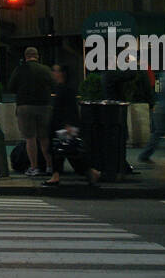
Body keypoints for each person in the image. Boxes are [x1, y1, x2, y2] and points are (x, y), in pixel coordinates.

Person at [42, 64, 100, 188]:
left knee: (66, 151)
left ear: (62, 73)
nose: (53, 73)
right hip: (62, 124)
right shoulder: (62, 87)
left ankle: (89, 172)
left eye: (55, 71)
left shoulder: (65, 89)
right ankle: (58, 175)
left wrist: (68, 124)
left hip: (64, 125)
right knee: (63, 151)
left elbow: (69, 109)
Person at [8, 46, 53, 176]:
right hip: (44, 106)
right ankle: (50, 166)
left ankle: (34, 167)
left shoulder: (20, 69)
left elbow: (11, 87)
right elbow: (53, 84)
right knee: (44, 137)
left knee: (30, 138)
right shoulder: (45, 69)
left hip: (25, 107)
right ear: (37, 56)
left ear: (26, 56)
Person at [138, 66, 165, 162]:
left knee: (158, 132)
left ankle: (144, 155)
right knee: (159, 132)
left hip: (161, 107)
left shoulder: (164, 75)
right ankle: (144, 155)